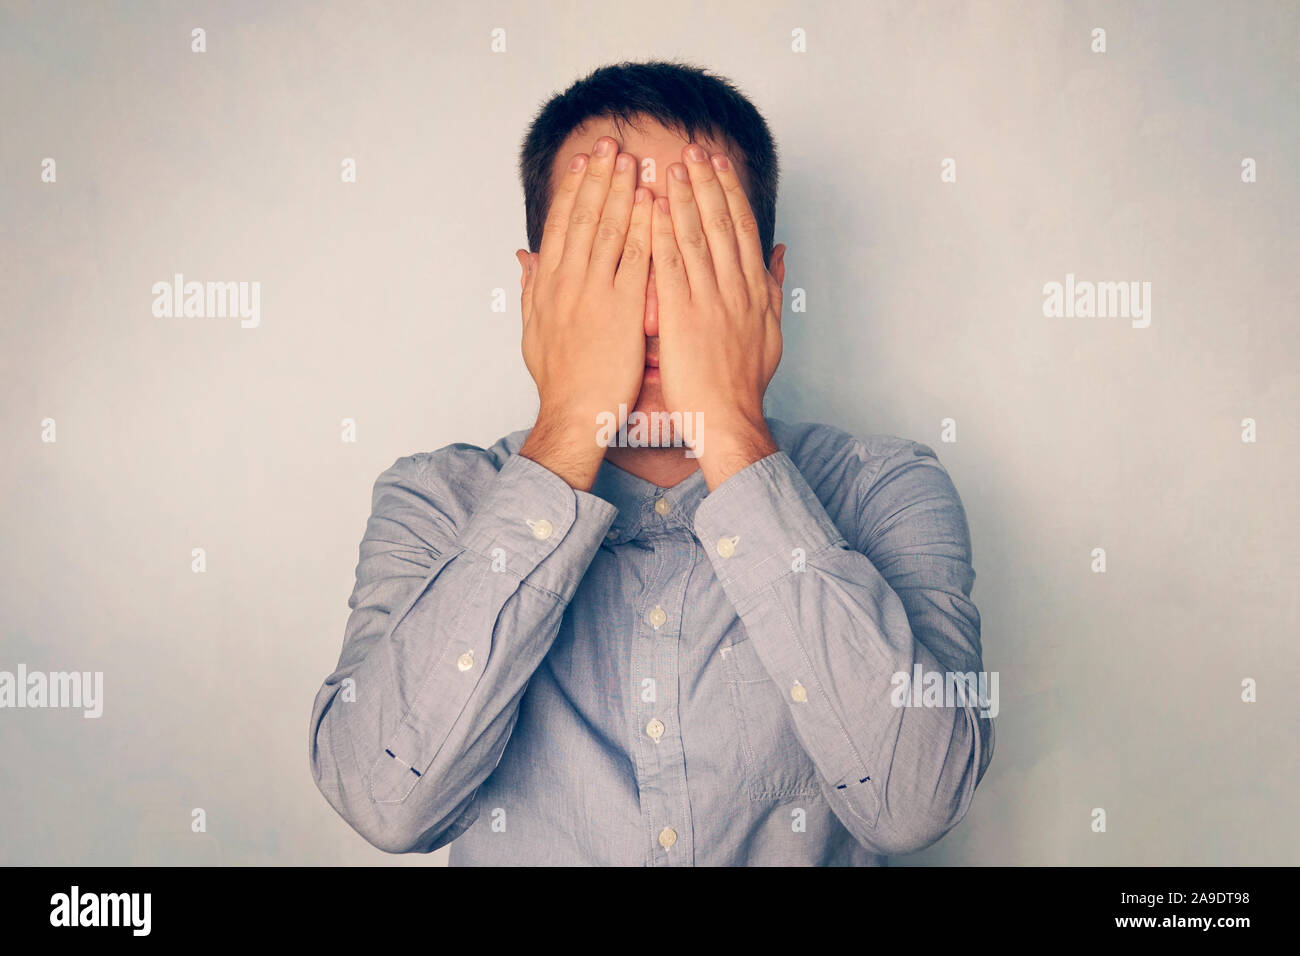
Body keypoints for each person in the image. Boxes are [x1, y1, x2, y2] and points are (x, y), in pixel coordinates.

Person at [308, 59, 994, 865]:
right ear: (536, 294)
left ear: (769, 286)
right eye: (608, 258)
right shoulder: (435, 502)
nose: (652, 311)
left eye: (695, 255)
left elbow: (916, 803)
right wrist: (569, 423)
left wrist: (731, 426)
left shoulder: (884, 489)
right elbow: (386, 805)